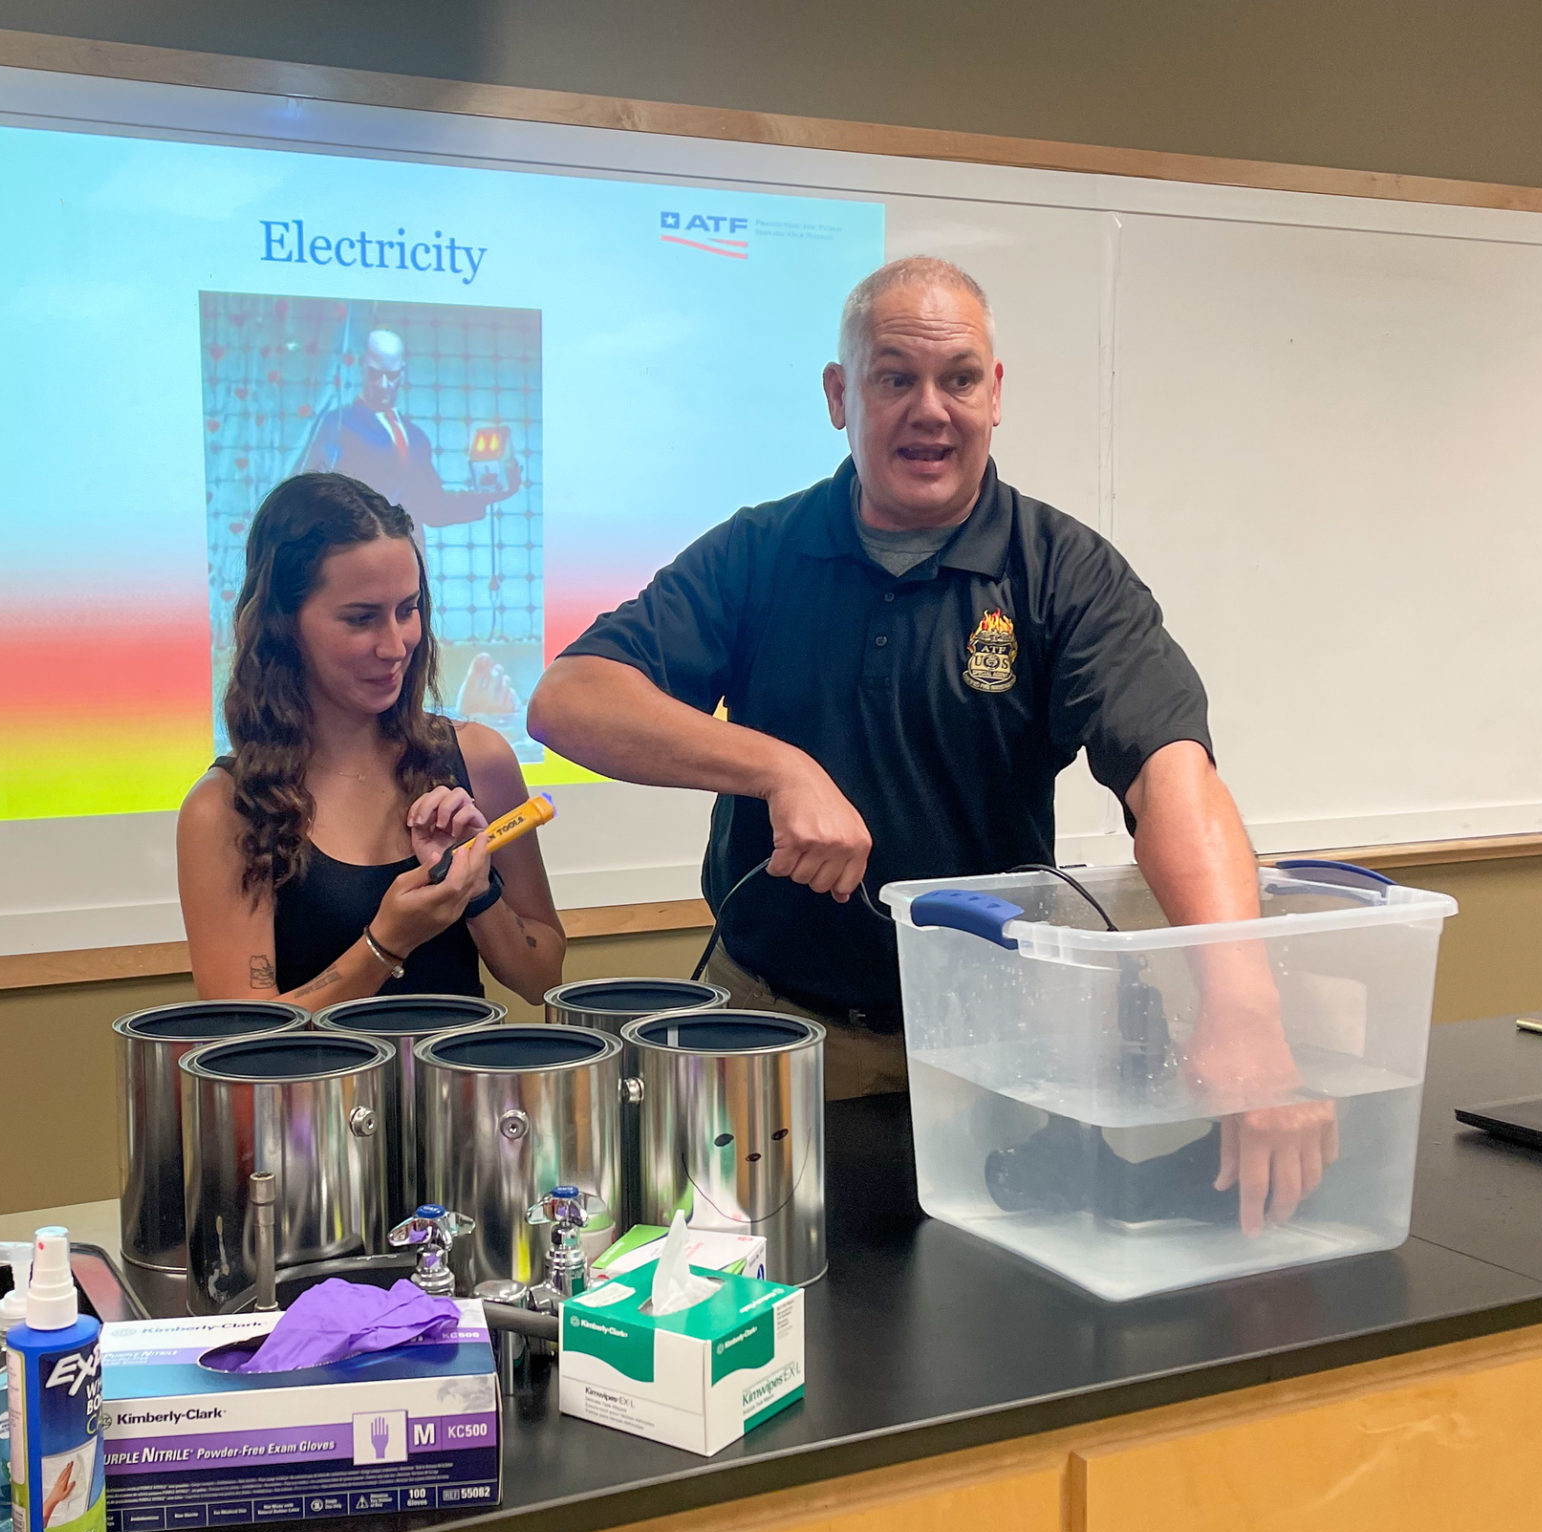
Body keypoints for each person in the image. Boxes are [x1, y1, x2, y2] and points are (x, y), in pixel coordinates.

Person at [527, 255, 1334, 1236]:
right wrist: (776, 766)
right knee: (772, 1330)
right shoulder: (758, 552)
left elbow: (1169, 769)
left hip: (997, 1048)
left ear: (995, 395)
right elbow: (571, 698)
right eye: (892, 378)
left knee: (996, 1339)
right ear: (839, 394)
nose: (928, 409)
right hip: (776, 1038)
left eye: (956, 379)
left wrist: (1241, 1008)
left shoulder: (1060, 572)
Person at [178, 471, 565, 1010]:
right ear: (282, 626)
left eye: (408, 610)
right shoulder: (226, 809)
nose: (395, 645)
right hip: (320, 1094)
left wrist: (477, 890)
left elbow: (541, 976)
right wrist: (385, 943)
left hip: (462, 1089)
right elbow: (246, 1041)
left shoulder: (480, 760)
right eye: (361, 619)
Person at [300, 328, 527, 730]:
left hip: (409, 574)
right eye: (375, 375)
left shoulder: (415, 437)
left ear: (403, 373)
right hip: (350, 580)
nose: (384, 385)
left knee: (404, 666)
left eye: (393, 376)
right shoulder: (336, 427)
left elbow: (433, 506)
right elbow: (304, 502)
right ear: (361, 371)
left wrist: (492, 495)